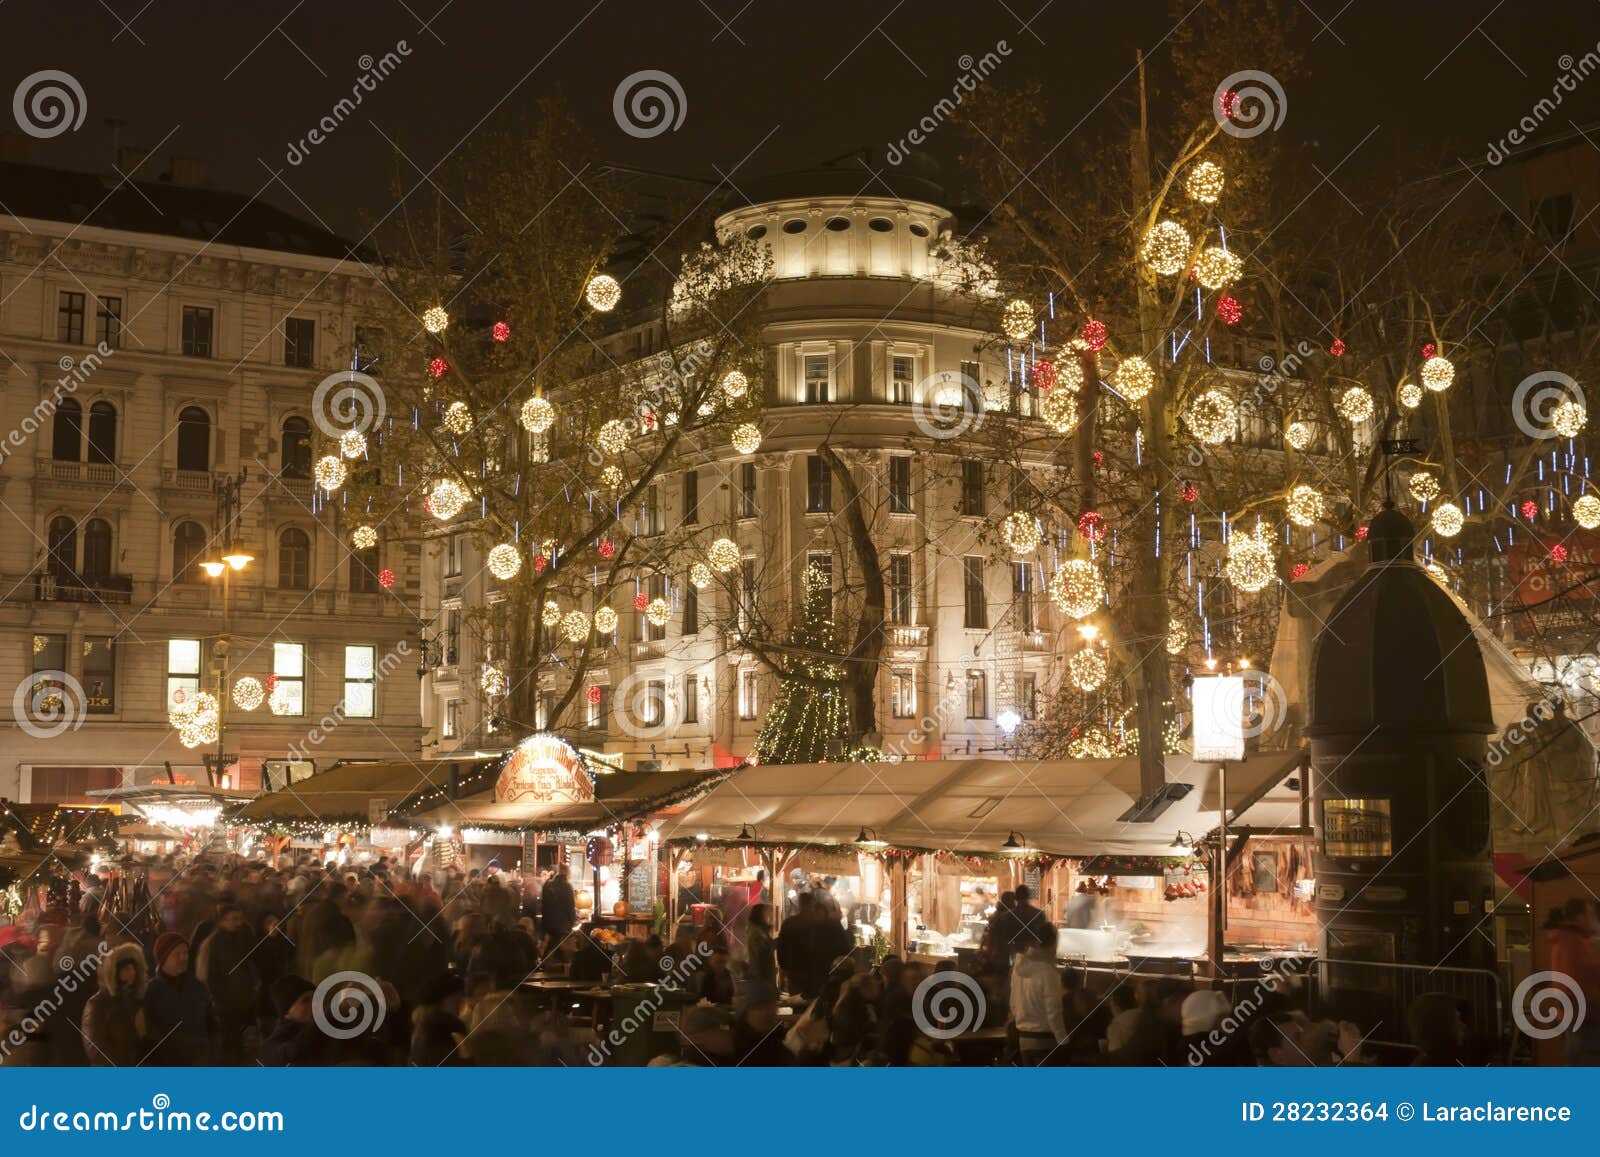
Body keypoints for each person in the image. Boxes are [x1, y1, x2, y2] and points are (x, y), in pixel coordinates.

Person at [195, 903, 259, 1063]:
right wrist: (221, 1000)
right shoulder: (214, 943)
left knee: (242, 1046)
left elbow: (249, 965)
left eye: (240, 918)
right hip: (225, 1006)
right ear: (223, 921)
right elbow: (210, 975)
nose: (239, 922)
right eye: (234, 919)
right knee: (229, 1047)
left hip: (243, 1002)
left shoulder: (242, 937)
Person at [143, 932, 214, 1065]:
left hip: (200, 1061)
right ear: (163, 958)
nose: (184, 958)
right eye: (177, 954)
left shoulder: (197, 986)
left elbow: (211, 1020)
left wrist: (210, 1049)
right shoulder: (151, 992)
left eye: (186, 953)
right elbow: (151, 1033)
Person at [82, 943, 147, 1066]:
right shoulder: (97, 1004)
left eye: (133, 968)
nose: (132, 972)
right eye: (126, 968)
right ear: (114, 972)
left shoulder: (133, 1001)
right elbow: (95, 1048)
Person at [1009, 926, 1066, 1065]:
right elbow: (1053, 1011)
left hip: (1023, 1039)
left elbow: (1013, 1004)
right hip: (1046, 1041)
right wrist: (1063, 1040)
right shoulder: (1048, 972)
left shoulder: (1017, 970)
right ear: (1052, 945)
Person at [540, 867, 577, 952]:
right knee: (560, 950)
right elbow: (570, 907)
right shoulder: (567, 886)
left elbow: (543, 906)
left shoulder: (547, 885)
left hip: (548, 924)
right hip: (562, 926)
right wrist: (572, 922)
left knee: (550, 948)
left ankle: (546, 963)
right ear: (567, 874)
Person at [744, 904, 777, 986]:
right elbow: (762, 951)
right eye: (767, 913)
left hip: (762, 977)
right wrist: (778, 941)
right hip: (761, 978)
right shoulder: (757, 933)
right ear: (760, 915)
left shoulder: (759, 931)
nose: (770, 916)